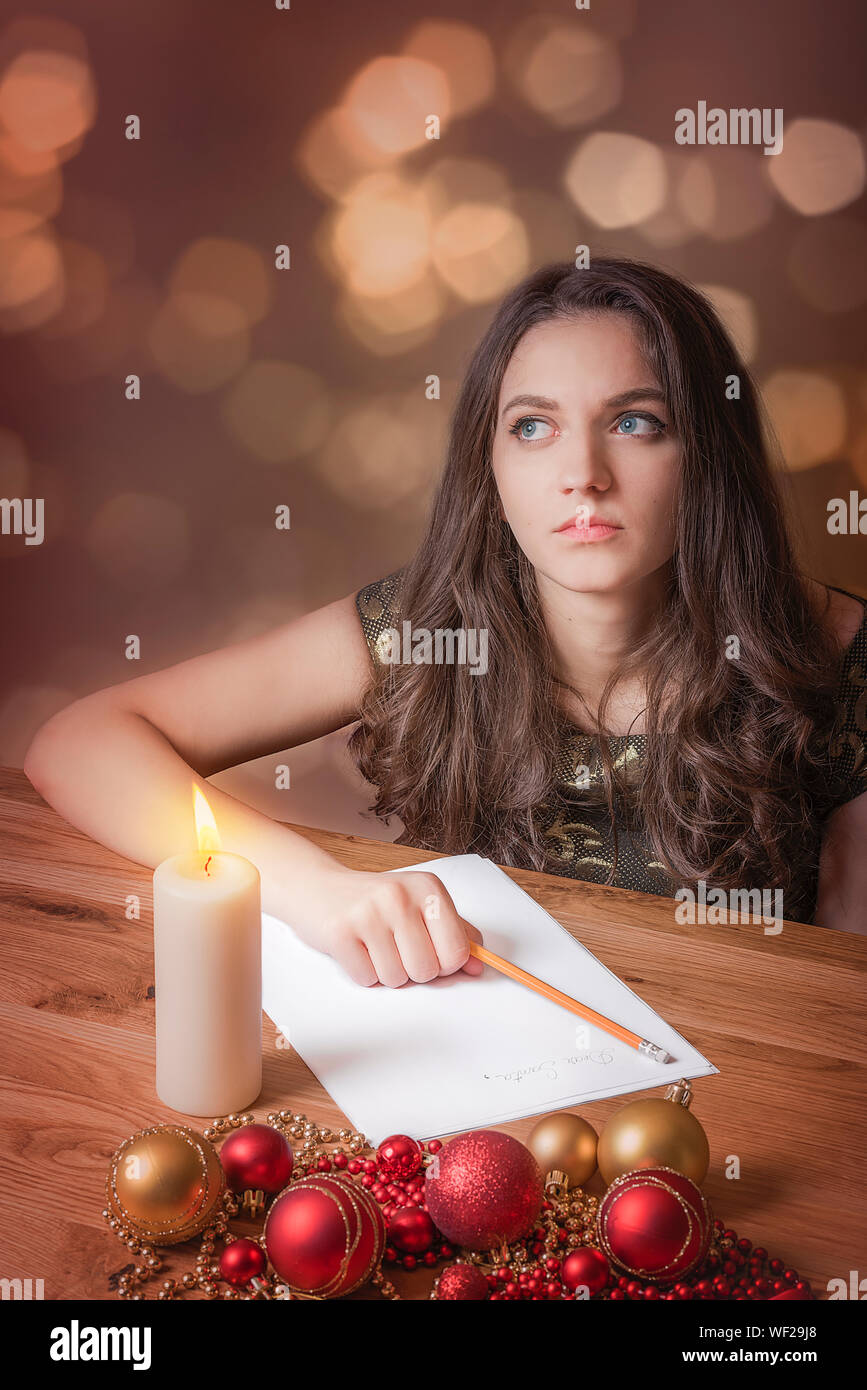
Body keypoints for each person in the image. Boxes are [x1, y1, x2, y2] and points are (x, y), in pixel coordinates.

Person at [24, 259, 867, 985]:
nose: (582, 473)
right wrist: (315, 891)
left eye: (634, 422)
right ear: (490, 465)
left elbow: (841, 996)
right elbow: (81, 741)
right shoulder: (423, 628)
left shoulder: (839, 660)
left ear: (708, 454)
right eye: (532, 427)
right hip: (481, 1076)